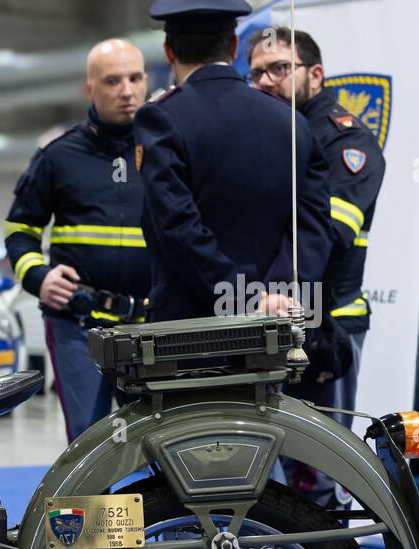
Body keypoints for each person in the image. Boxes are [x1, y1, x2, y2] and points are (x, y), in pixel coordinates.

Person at [135, 0, 334, 323]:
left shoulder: (161, 118)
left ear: (168, 51)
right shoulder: (293, 122)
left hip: (190, 329)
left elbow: (177, 225)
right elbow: (312, 224)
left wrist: (245, 299)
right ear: (234, 45)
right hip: (279, 326)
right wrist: (274, 298)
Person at [4, 38, 152, 442]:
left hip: (154, 323)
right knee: (90, 444)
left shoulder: (168, 150)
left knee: (161, 442)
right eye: (112, 81)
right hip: (78, 325)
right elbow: (20, 231)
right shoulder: (58, 156)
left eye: (136, 78)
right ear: (90, 90)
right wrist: (39, 277)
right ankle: (92, 509)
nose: (127, 90)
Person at [247, 26, 383, 416]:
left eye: (279, 68)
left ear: (316, 75)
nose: (265, 82)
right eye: (256, 73)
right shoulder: (270, 135)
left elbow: (328, 234)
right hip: (266, 315)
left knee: (320, 460)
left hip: (329, 324)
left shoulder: (347, 142)